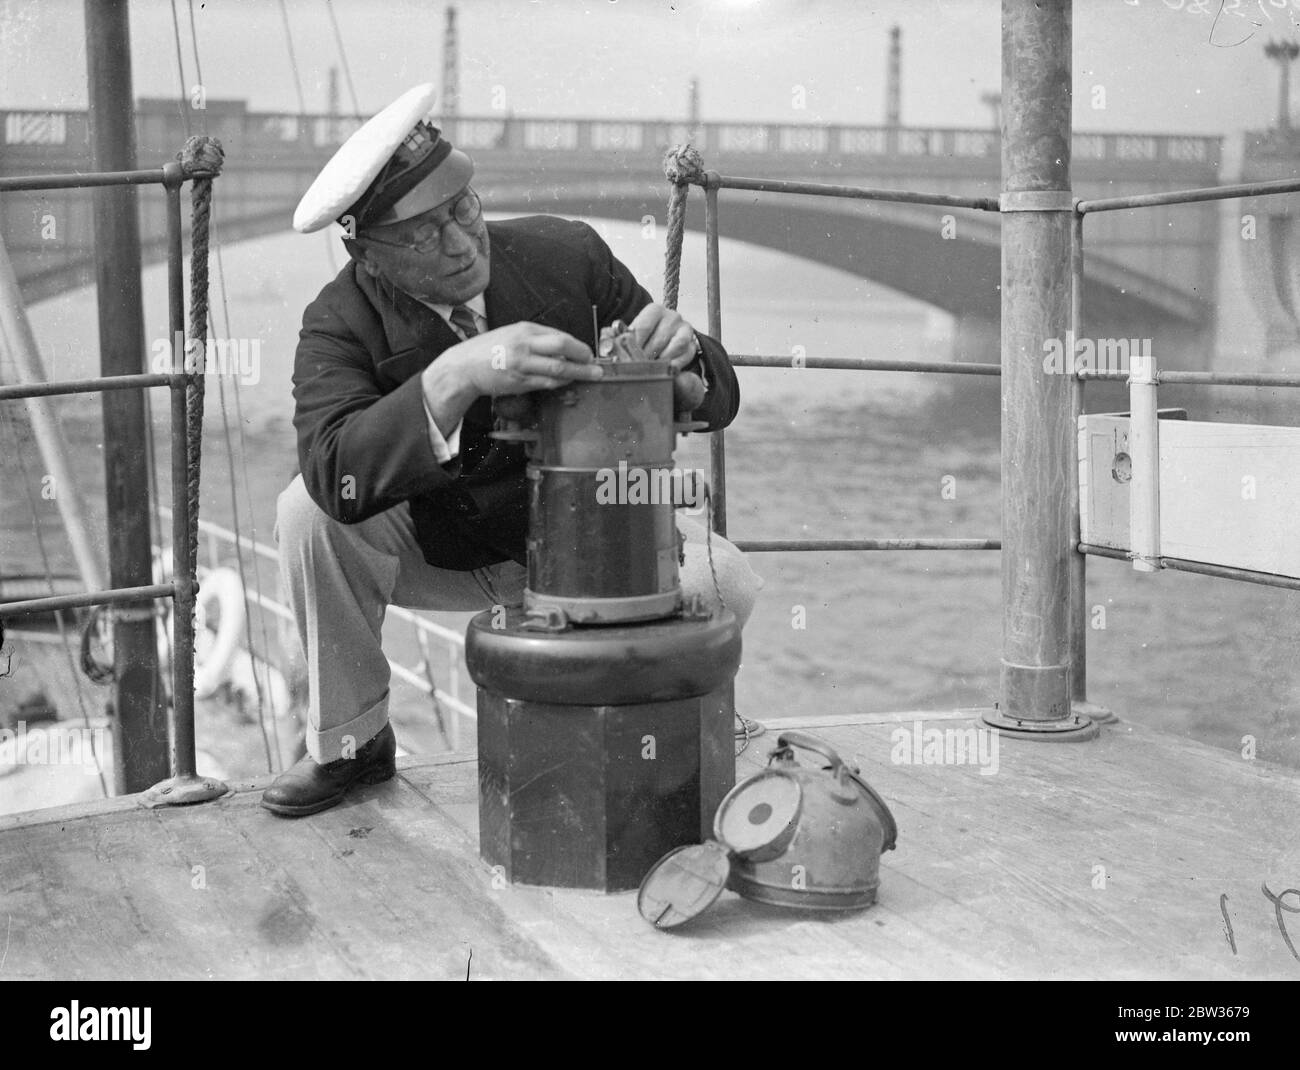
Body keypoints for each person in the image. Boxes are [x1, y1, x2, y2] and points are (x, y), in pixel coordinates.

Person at [263, 84, 761, 816]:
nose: (462, 244)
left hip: (589, 538)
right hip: (440, 545)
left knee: (727, 585)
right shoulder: (338, 321)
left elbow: (718, 399)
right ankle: (352, 742)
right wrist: (453, 376)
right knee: (305, 514)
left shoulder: (567, 254)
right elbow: (336, 475)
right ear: (366, 252)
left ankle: (646, 735)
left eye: (463, 209)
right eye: (424, 236)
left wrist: (686, 362)